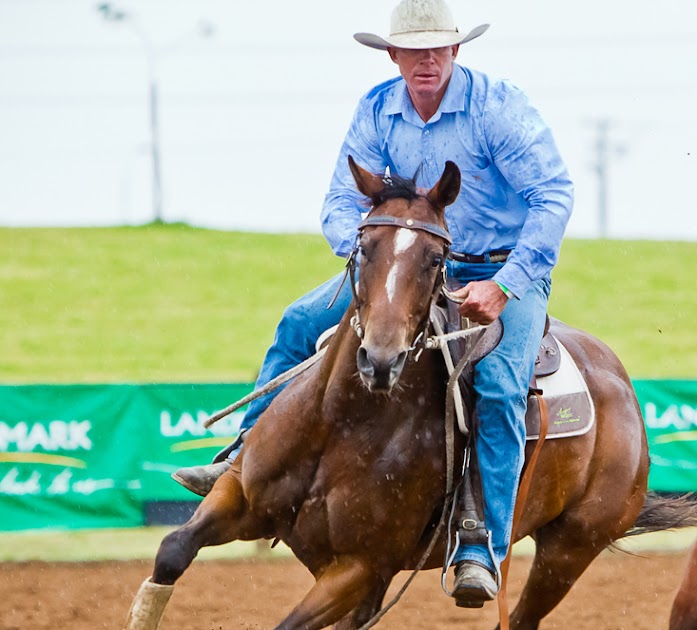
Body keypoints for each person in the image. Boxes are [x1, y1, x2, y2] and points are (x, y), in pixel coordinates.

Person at [171, 0, 572, 606]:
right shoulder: (377, 109)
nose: (427, 59)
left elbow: (552, 196)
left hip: (498, 269)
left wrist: (507, 284)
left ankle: (479, 544)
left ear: (457, 51)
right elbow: (339, 200)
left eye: (439, 48)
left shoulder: (498, 108)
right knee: (301, 320)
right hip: (404, 264)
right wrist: (370, 254)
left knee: (498, 383)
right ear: (394, 56)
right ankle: (242, 462)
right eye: (415, 50)